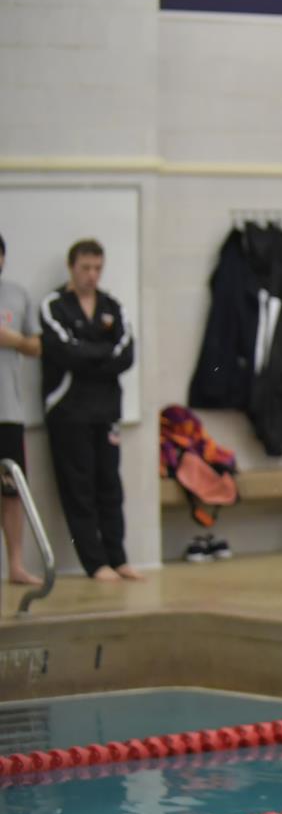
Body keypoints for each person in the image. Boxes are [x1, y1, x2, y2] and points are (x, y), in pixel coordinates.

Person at [39, 240, 140, 582]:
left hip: (106, 409)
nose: (92, 275)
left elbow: (125, 355)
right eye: (86, 268)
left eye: (98, 268)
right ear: (72, 267)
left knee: (109, 485)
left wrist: (89, 354)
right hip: (68, 410)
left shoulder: (113, 305)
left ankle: (118, 557)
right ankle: (95, 563)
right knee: (78, 488)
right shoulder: (54, 306)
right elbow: (64, 352)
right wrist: (100, 354)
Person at [0, 234, 44, 586]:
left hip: (8, 410)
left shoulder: (16, 294)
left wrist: (10, 339)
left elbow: (36, 346)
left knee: (12, 491)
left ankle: (15, 565)